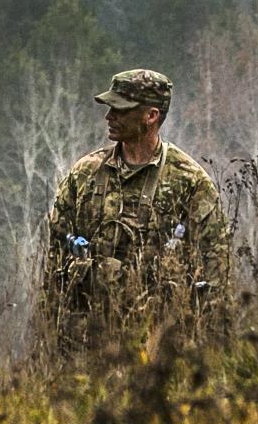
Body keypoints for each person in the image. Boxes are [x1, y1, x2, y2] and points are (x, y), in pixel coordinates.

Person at [39, 68, 233, 349]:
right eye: (109, 109)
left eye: (120, 110)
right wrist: (50, 337)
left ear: (151, 115)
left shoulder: (189, 182)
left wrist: (212, 351)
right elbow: (55, 260)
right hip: (86, 342)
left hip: (162, 348)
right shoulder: (84, 175)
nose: (109, 117)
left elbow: (217, 272)